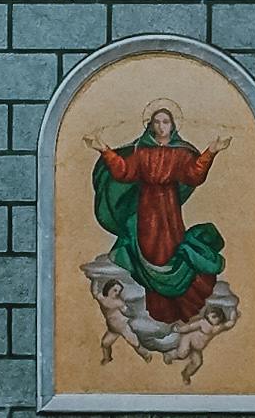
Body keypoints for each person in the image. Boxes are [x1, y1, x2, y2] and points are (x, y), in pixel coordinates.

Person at [83, 106, 232, 323]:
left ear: (172, 126)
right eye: (157, 122)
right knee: (151, 254)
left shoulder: (179, 153)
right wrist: (103, 149)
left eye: (166, 122)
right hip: (147, 209)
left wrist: (212, 151)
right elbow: (124, 171)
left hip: (169, 211)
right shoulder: (141, 152)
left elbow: (193, 175)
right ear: (150, 126)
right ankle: (159, 309)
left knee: (171, 252)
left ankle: (180, 307)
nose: (161, 126)